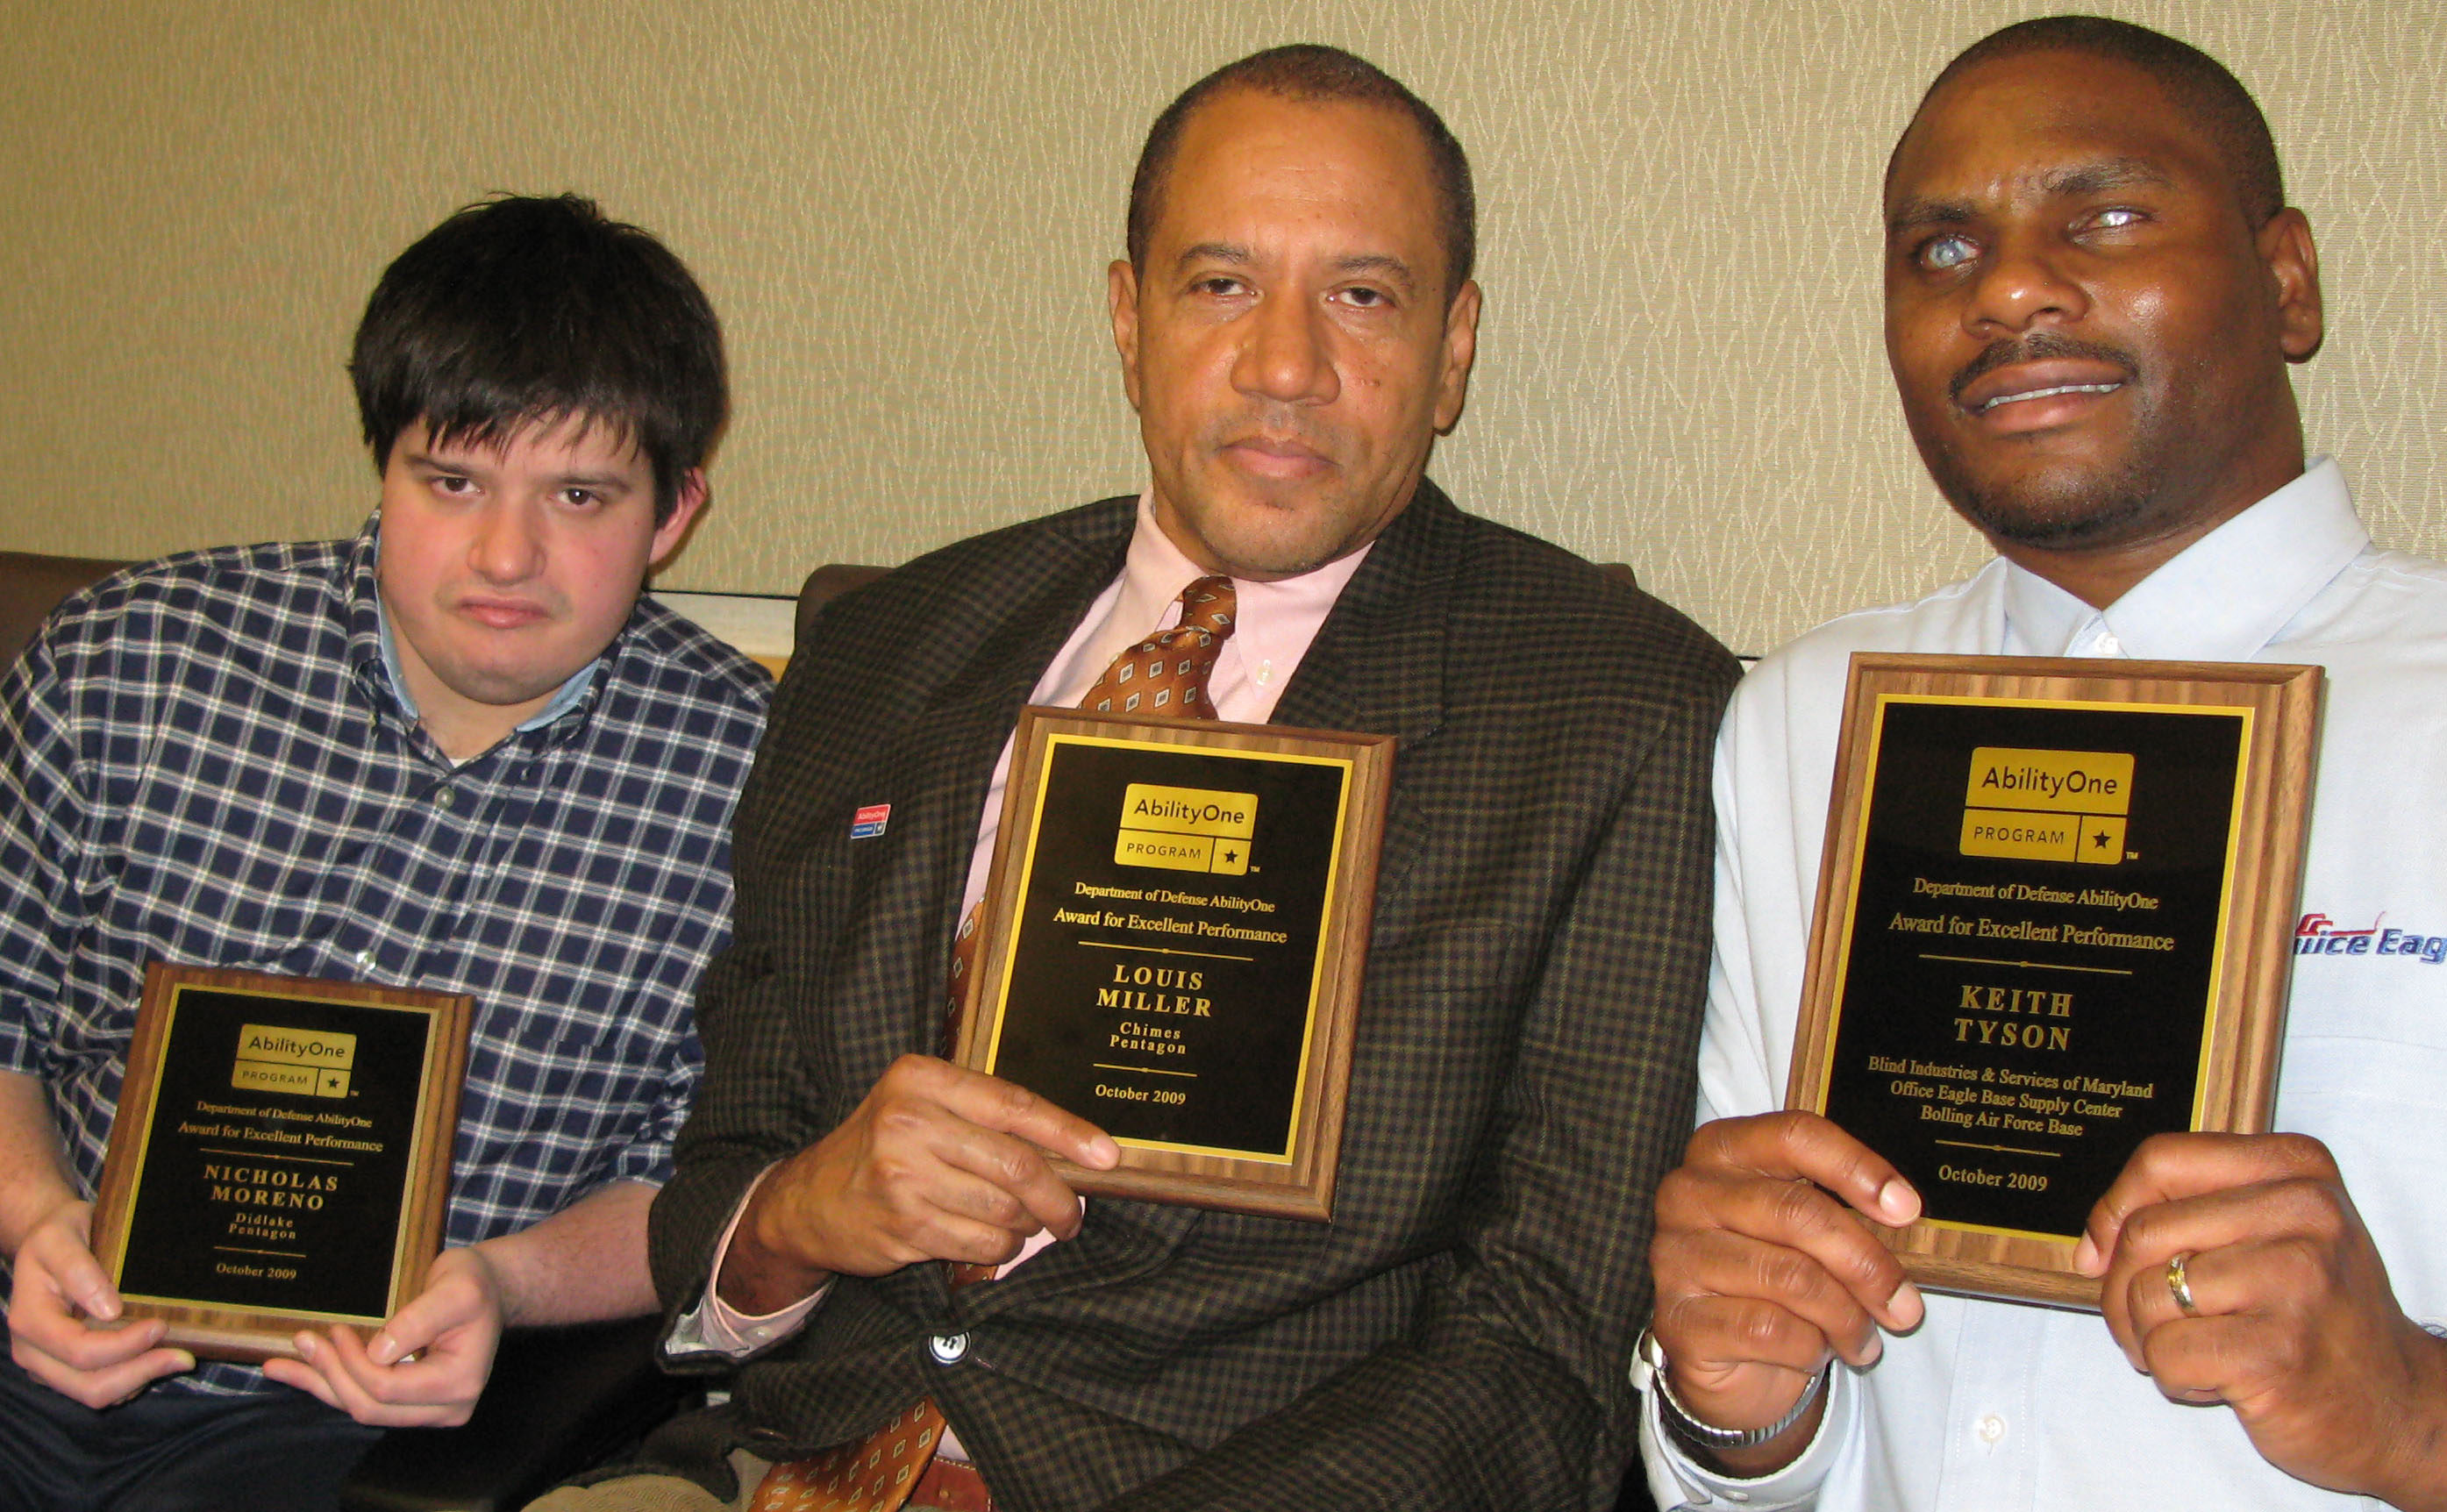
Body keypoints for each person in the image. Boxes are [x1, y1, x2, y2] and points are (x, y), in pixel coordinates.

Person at [552, 43, 1737, 1512]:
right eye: (1220, 283)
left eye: (1362, 296)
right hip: (772, 1467)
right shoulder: (880, 650)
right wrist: (798, 1213)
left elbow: (1539, 1346)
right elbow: (732, 1148)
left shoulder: (1616, 715)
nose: (1286, 365)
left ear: (1455, 348)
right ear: (1128, 316)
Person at [1642, 16, 2447, 1511]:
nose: (2012, 287)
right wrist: (1731, 1408)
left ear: (2287, 281)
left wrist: (2423, 1423)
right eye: (1942, 252)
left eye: (2104, 217)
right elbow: (1761, 1457)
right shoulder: (1800, 717)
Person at [0, 193, 773, 1509]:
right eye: (452, 480)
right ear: (383, 464)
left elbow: (716, 1183)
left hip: (368, 1429)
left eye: (578, 494)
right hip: (38, 1330)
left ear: (677, 509)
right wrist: (33, 1223)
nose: (505, 555)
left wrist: (503, 1282)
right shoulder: (127, 661)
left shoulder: (759, 782)